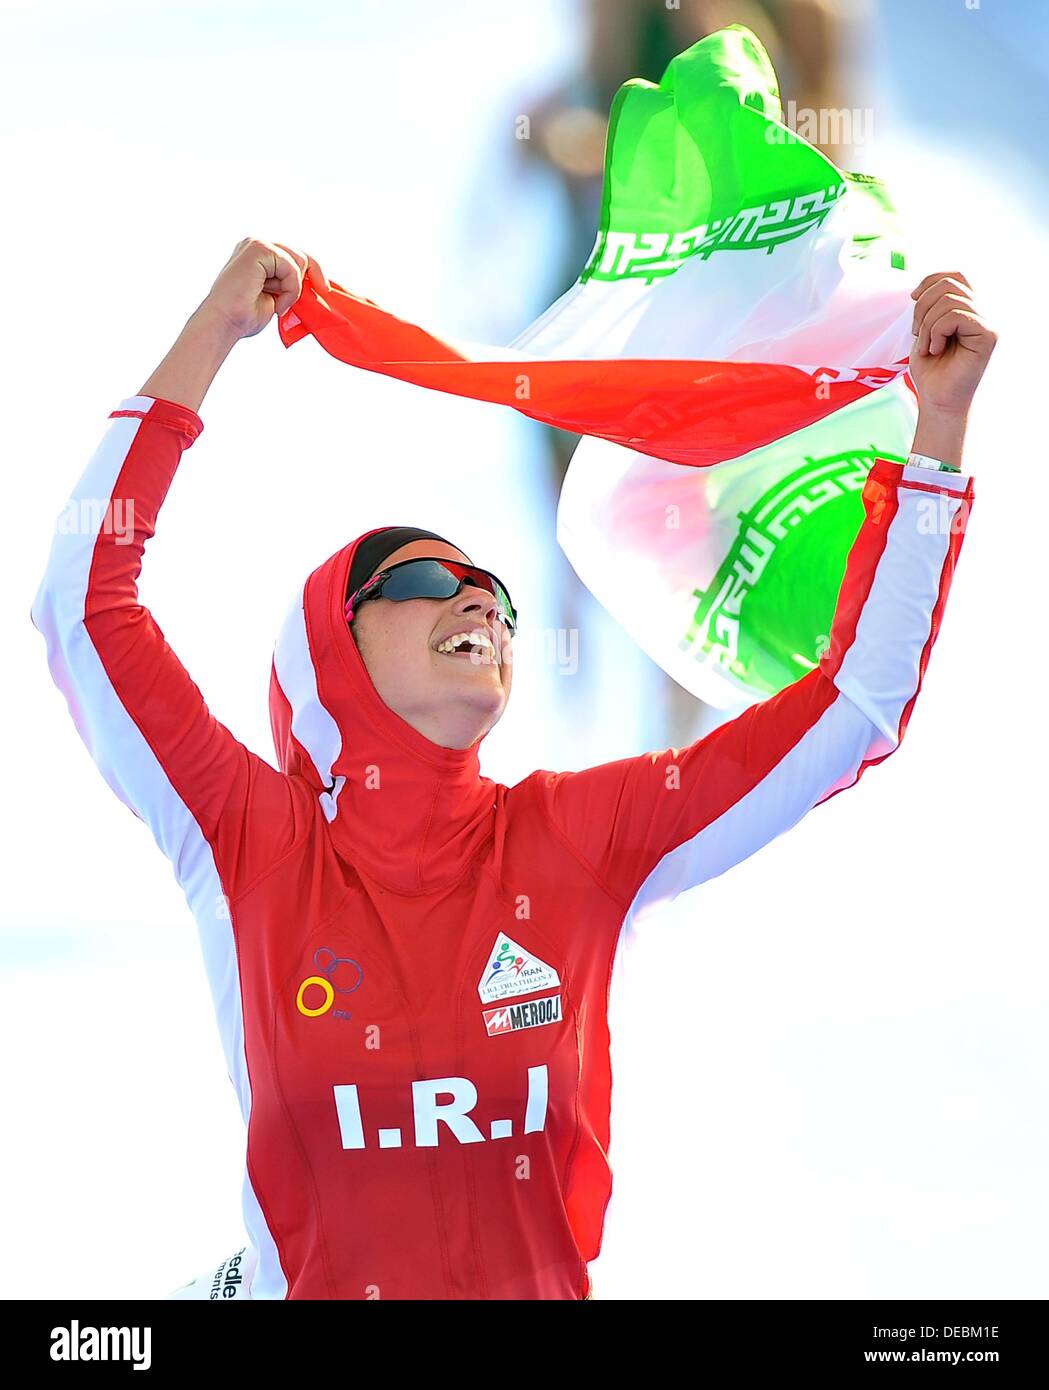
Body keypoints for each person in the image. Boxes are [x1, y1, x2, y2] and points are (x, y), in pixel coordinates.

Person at [31, 239, 994, 1300]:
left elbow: (852, 705)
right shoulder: (250, 843)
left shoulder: (574, 840)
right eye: (426, 577)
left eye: (493, 588)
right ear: (325, 648)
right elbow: (84, 607)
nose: (479, 600)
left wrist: (935, 430)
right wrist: (210, 335)